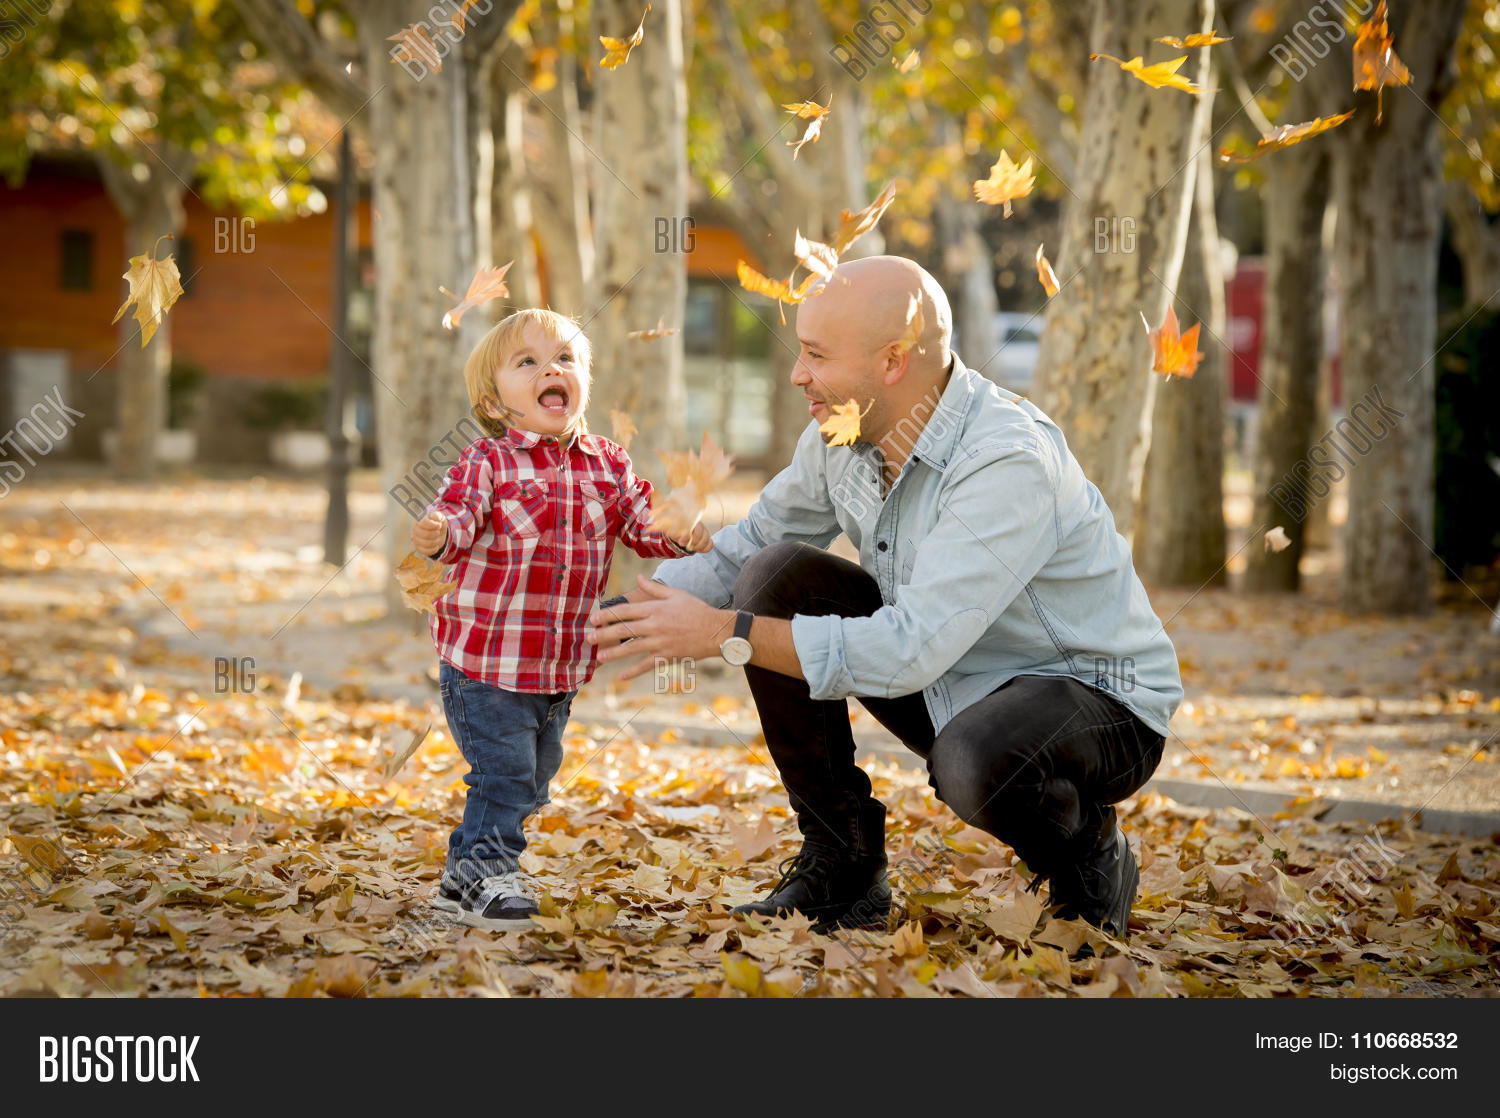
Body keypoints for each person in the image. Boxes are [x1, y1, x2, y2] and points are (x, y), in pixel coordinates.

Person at [586, 257, 1183, 940]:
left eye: (813, 354)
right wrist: (600, 624)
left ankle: (1092, 855)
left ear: (893, 361)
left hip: (1096, 700)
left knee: (970, 760)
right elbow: (746, 547)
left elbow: (911, 650)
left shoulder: (1005, 461)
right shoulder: (844, 434)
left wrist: (728, 633)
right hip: (952, 676)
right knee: (775, 577)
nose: (796, 374)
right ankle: (844, 864)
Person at [411, 307, 711, 930]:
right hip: (486, 660)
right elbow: (460, 520)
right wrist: (440, 534)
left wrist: (680, 534)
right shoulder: (486, 462)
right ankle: (494, 874)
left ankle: (461, 878)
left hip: (560, 662)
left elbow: (638, 525)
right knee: (505, 773)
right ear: (495, 403)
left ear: (583, 384)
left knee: (535, 777)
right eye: (529, 362)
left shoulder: (608, 464)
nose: (553, 369)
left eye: (567, 359)